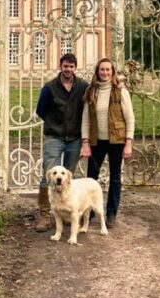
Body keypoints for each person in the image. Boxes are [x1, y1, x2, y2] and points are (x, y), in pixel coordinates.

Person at [33, 53, 88, 233]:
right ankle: (44, 215)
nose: (68, 69)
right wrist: (53, 123)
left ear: (75, 68)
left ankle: (67, 212)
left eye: (71, 66)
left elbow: (93, 98)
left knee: (67, 177)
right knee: (49, 176)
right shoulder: (49, 87)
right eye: (65, 66)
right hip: (54, 137)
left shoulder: (82, 86)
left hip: (74, 138)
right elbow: (41, 110)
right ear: (61, 66)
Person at [80, 57, 135, 228]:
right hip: (96, 141)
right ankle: (89, 213)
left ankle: (111, 214)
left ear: (112, 72)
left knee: (115, 178)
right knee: (91, 178)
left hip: (117, 140)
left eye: (108, 70)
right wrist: (85, 142)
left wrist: (128, 142)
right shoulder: (91, 91)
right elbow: (86, 119)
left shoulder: (120, 91)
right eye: (102, 69)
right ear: (97, 72)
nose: (105, 72)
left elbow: (130, 118)